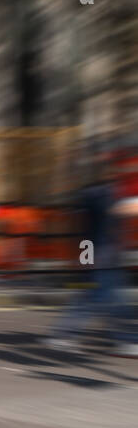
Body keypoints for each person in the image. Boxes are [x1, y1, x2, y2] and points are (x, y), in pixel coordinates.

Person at [45, 152, 136, 355]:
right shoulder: (102, 193)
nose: (118, 173)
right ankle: (64, 335)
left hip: (95, 252)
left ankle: (63, 335)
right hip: (102, 254)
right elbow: (123, 210)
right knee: (102, 297)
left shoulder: (90, 192)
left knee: (96, 296)